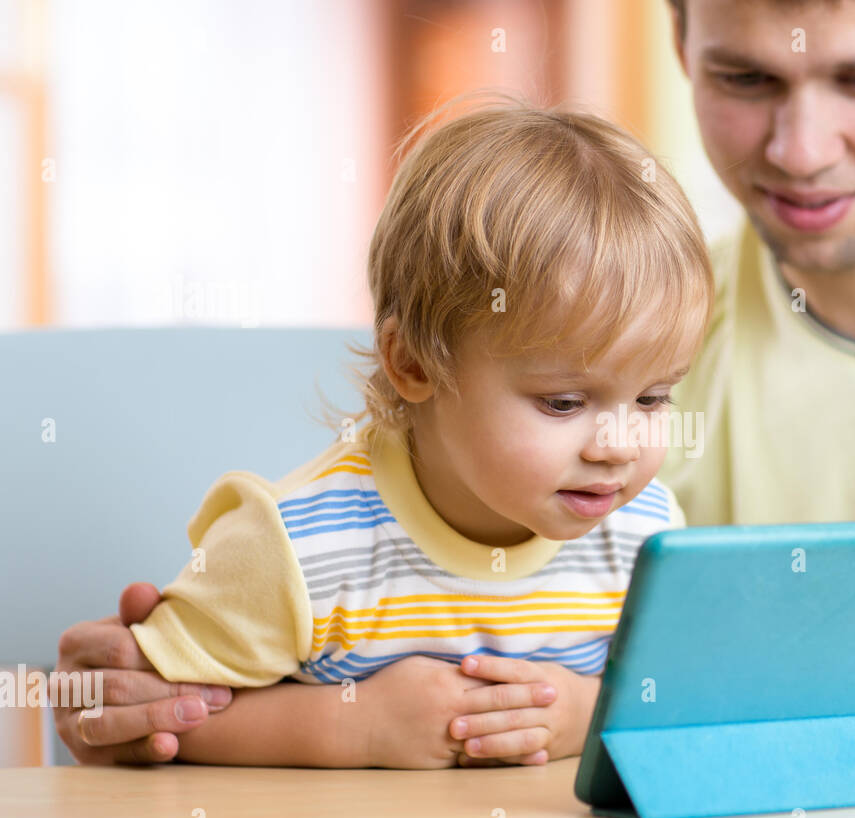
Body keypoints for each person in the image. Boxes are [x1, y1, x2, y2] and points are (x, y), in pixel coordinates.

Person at [58, 0, 855, 799]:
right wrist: (174, 697)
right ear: (676, 41)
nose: (800, 149)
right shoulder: (620, 309)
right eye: (744, 79)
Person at [63, 96, 711, 769]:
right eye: (564, 401)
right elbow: (144, 721)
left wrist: (584, 712)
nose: (618, 444)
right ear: (413, 362)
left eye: (653, 397)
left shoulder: (648, 536)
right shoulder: (294, 546)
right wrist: (354, 727)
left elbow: (687, 701)